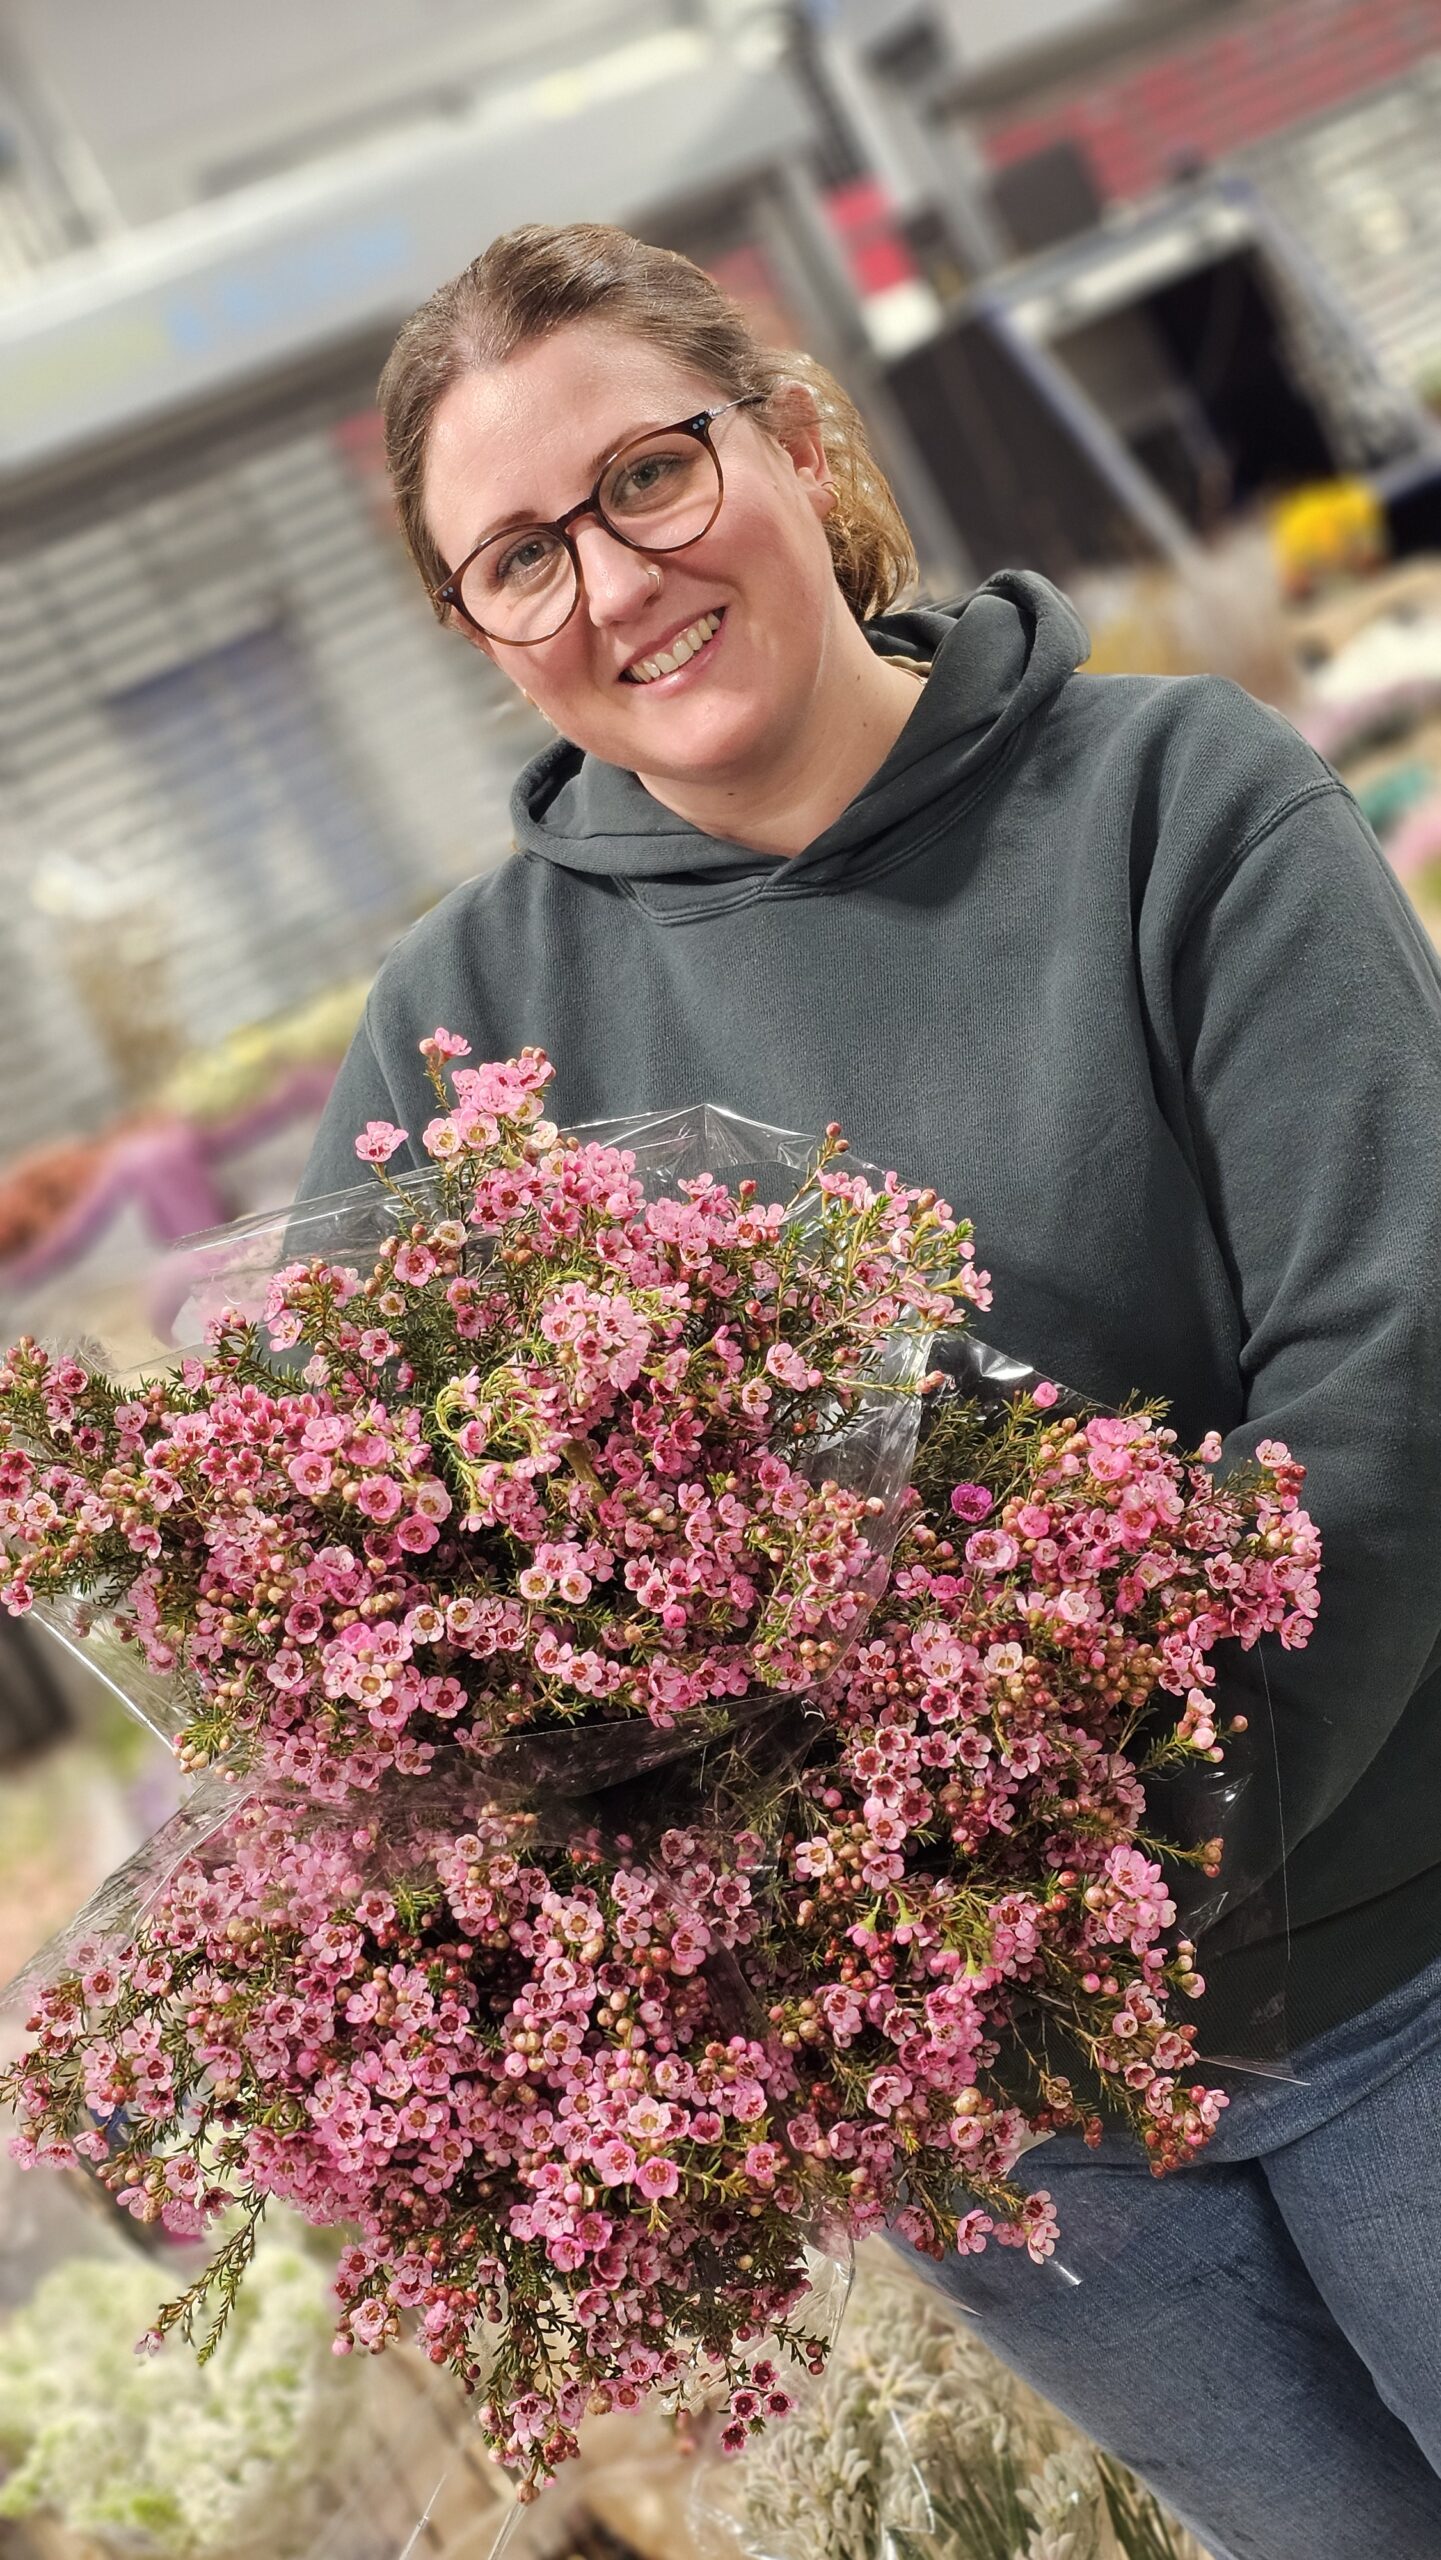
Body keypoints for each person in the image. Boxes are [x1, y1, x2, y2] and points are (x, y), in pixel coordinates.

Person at [298, 223, 1441, 2559]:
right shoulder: (456, 1042)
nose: (614, 581)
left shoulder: (1178, 807)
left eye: (647, 475)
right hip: (1018, 2150)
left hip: (1391, 1963)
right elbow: (372, 1630)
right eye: (519, 555)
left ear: (798, 444)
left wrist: (1069, 1883)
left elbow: (1390, 1372)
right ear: (475, 624)